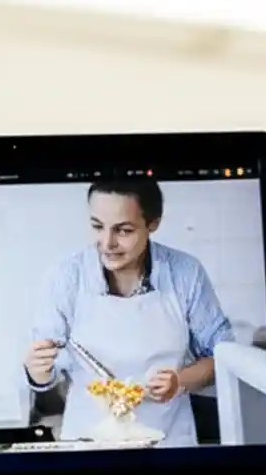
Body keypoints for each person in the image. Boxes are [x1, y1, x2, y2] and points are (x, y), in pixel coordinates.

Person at [23, 176, 233, 447]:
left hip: (169, 444)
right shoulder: (66, 276)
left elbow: (223, 358)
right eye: (98, 227)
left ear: (153, 223)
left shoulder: (185, 273)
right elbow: (46, 376)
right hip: (90, 441)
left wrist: (180, 381)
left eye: (123, 230)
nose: (107, 243)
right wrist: (37, 370)